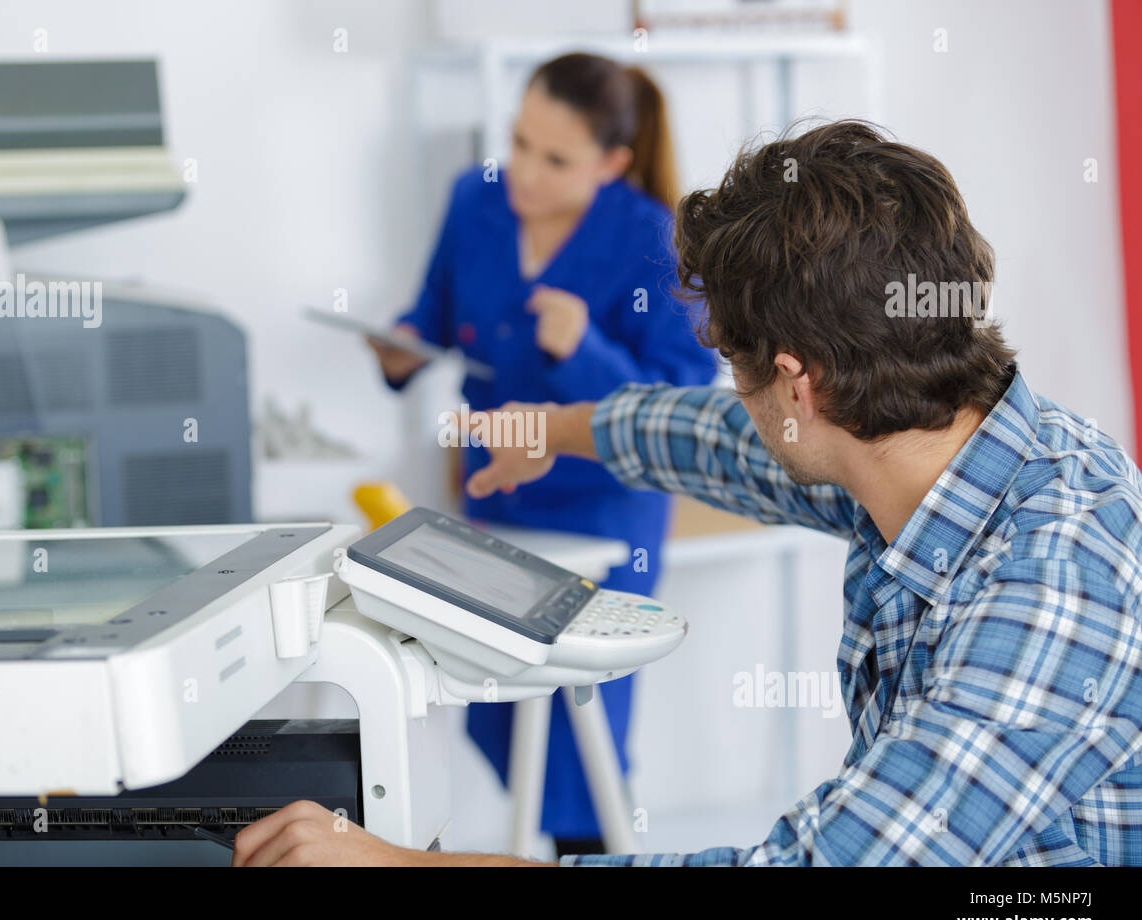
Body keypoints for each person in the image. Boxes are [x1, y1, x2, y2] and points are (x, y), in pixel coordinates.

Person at [234, 120, 1142, 866]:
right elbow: (721, 445)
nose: (734, 401)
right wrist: (552, 430)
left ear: (797, 385)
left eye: (738, 376)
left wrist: (402, 868)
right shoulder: (945, 441)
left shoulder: (1052, 587)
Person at [370, 52, 718, 853]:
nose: (523, 171)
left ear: (613, 163)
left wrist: (585, 348)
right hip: (494, 499)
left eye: (554, 158)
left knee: (578, 734)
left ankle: (587, 851)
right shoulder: (474, 201)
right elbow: (432, 314)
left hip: (603, 512)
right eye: (518, 142)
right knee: (487, 704)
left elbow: (678, 398)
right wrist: (400, 348)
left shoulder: (651, 239)